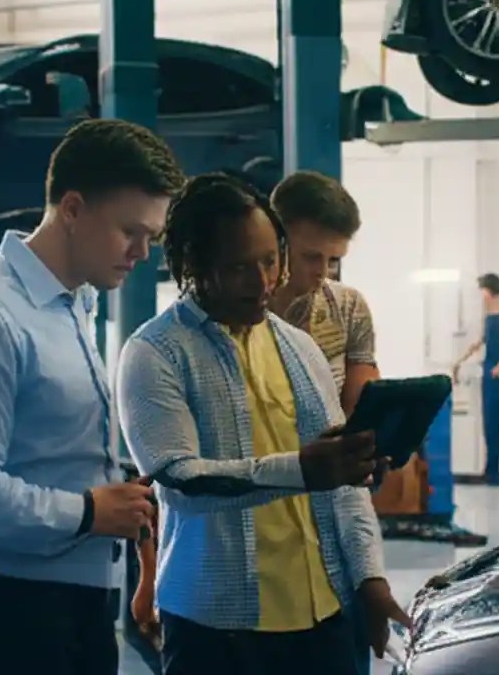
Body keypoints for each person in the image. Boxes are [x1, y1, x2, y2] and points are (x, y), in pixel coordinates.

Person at [0, 118, 185, 675]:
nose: (141, 252)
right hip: (14, 611)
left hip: (77, 602)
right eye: (129, 231)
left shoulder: (73, 303)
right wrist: (88, 511)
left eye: (151, 237)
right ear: (71, 208)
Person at [117, 173, 411, 675]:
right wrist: (302, 471)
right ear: (193, 266)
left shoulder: (300, 349)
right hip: (217, 630)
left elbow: (342, 484)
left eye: (271, 260)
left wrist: (370, 582)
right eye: (239, 268)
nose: (262, 283)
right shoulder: (155, 354)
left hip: (327, 617)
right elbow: (182, 479)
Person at [268, 170, 419, 674]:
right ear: (276, 237)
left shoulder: (347, 307)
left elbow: (360, 400)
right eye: (312, 257)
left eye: (335, 259)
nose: (324, 272)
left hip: (335, 510)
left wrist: (378, 437)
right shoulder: (240, 315)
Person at [453, 273, 499, 485]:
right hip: (490, 377)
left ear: (489, 291)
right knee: (491, 424)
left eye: (481, 291)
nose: (480, 296)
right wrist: (458, 361)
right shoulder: (488, 318)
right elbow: (478, 342)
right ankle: (492, 472)